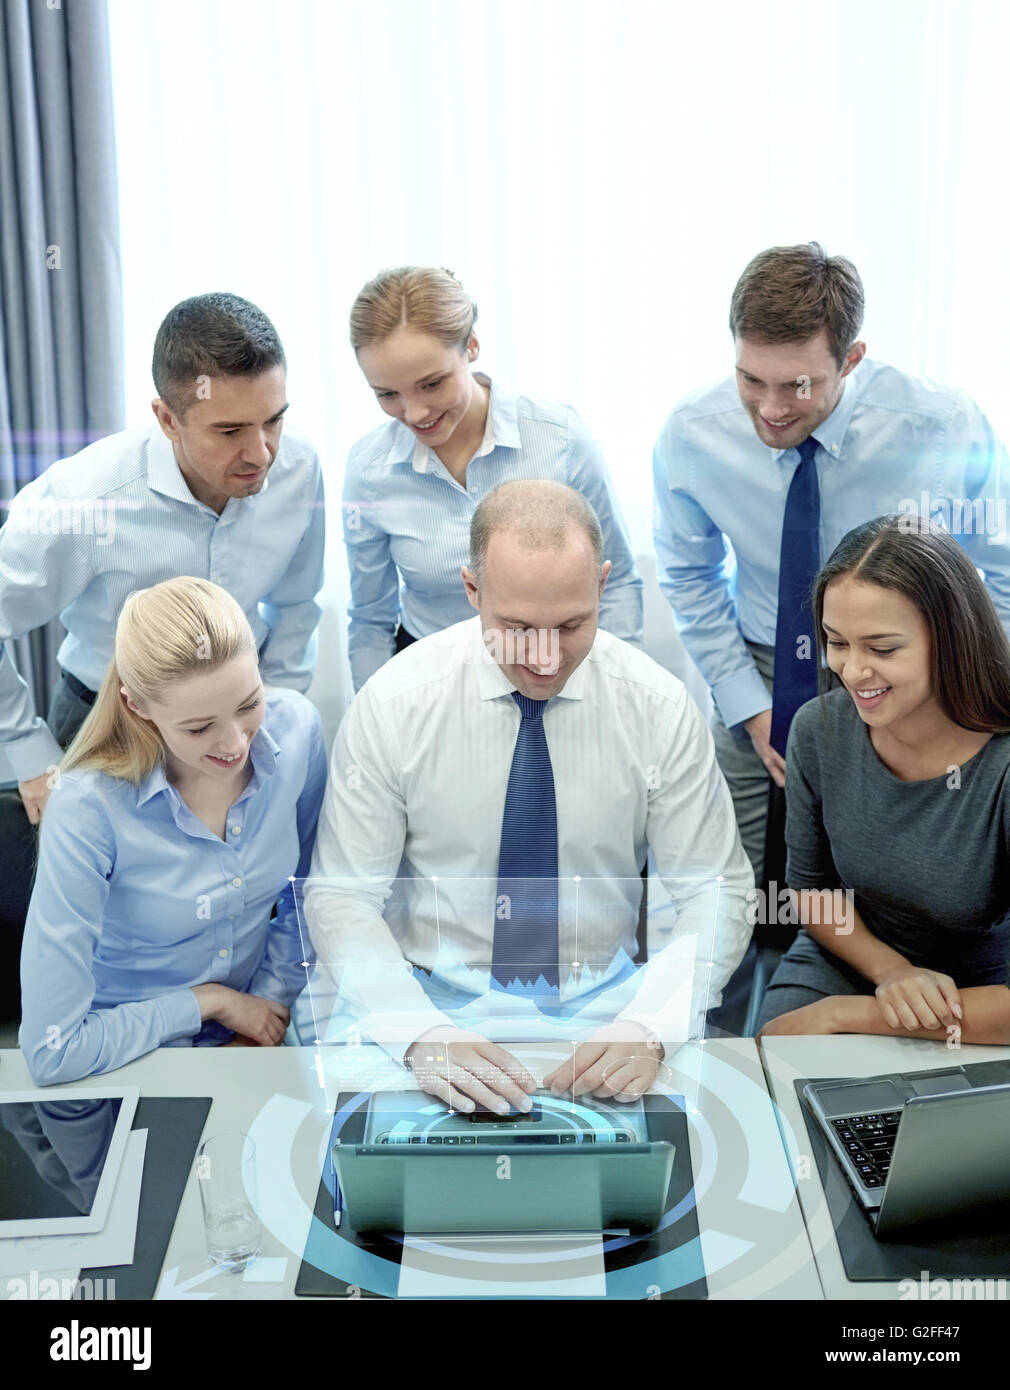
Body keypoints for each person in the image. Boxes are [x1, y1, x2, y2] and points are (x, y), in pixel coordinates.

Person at [305, 479, 752, 1113]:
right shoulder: (394, 703)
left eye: (571, 625)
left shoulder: (657, 706)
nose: (545, 659)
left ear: (602, 586)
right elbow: (344, 896)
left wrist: (652, 1024)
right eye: (516, 627)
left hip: (611, 1009)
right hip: (428, 1002)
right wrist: (417, 1033)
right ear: (471, 591)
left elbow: (714, 889)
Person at [652, 242, 1010, 880]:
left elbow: (1003, 566)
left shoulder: (941, 426)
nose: (771, 409)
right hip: (761, 669)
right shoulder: (691, 434)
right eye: (750, 380)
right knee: (727, 883)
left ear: (852, 358)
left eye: (797, 385)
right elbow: (687, 574)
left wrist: (964, 684)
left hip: (912, 671)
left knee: (886, 876)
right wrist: (750, 706)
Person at [1, 292, 325, 823]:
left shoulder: (300, 467)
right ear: (167, 418)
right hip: (110, 729)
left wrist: (270, 718)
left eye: (273, 420)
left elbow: (296, 604)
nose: (262, 453)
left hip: (238, 726)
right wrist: (30, 756)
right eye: (229, 431)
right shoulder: (82, 499)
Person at [19, 578, 327, 1085]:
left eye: (249, 704)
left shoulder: (298, 732)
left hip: (252, 1039)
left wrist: (265, 1003)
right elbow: (54, 1053)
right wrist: (208, 1004)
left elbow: (311, 888)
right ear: (137, 706)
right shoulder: (86, 807)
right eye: (199, 727)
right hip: (120, 1061)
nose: (235, 744)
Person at [756, 516, 1010, 1043]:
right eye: (836, 642)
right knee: (770, 1074)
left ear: (951, 639)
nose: (852, 671)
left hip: (988, 993)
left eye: (882, 648)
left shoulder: (1002, 763)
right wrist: (891, 974)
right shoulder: (818, 730)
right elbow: (812, 893)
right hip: (852, 956)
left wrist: (852, 1014)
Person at [342, 266, 643, 692]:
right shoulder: (369, 471)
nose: (414, 413)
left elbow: (619, 582)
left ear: (472, 347)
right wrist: (373, 712)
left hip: (556, 669)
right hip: (432, 681)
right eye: (388, 394)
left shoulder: (560, 438)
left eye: (432, 383)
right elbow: (370, 619)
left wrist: (616, 691)